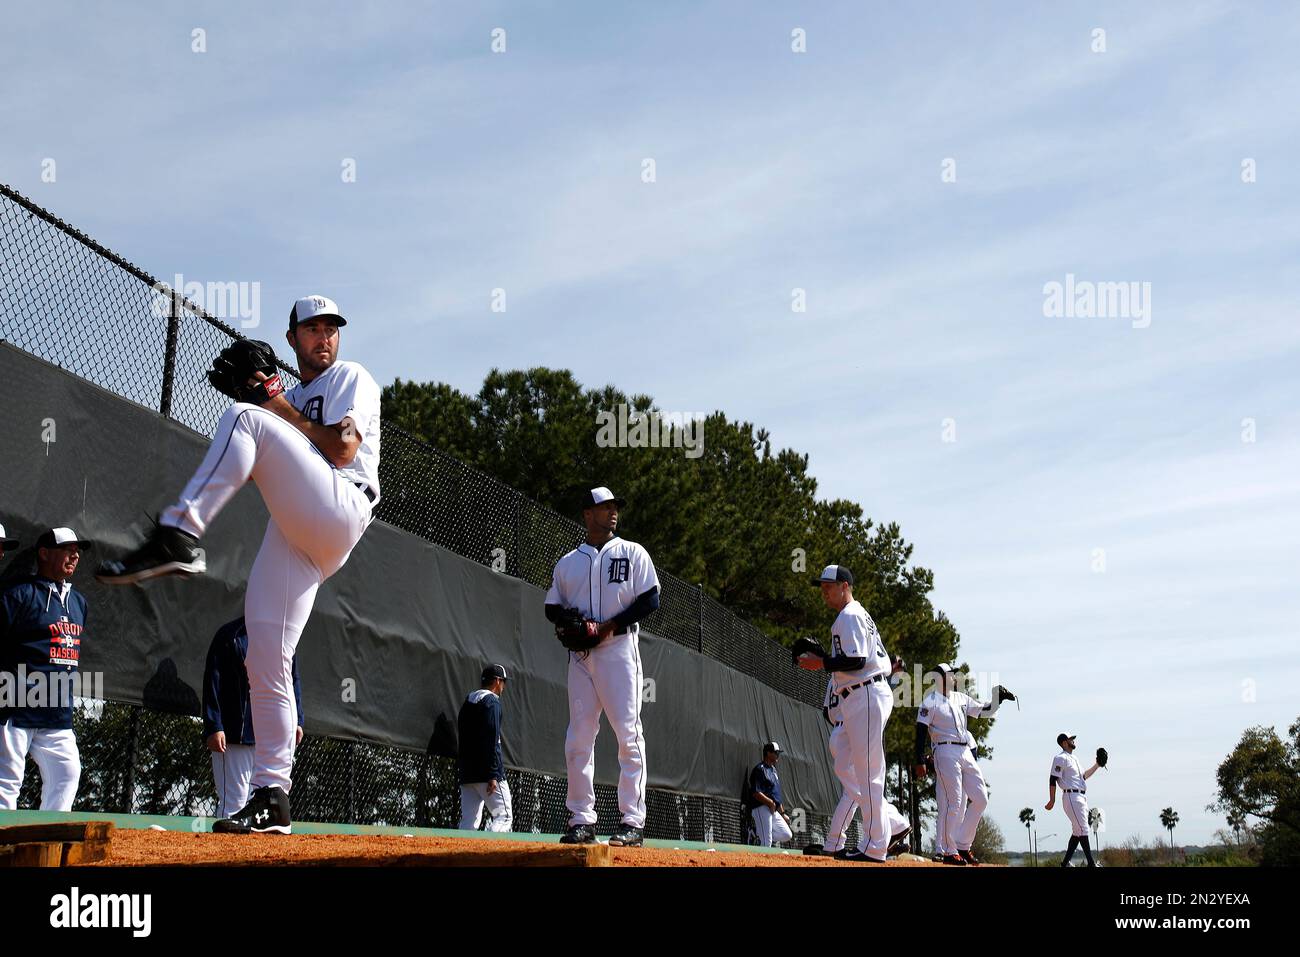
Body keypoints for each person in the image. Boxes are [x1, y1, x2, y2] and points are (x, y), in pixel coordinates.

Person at [97, 295, 381, 835]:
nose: (325, 337)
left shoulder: (350, 376)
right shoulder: (289, 397)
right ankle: (272, 796)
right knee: (264, 653)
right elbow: (254, 464)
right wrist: (270, 405)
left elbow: (342, 449)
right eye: (313, 328)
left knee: (242, 418)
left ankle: (177, 533)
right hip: (297, 527)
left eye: (332, 328)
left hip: (341, 505)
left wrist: (270, 406)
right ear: (292, 337)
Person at [544, 486, 660, 847]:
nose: (612, 512)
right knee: (578, 737)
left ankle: (632, 821)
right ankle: (581, 819)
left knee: (628, 733)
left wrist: (606, 625)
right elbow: (551, 607)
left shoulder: (632, 552)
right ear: (587, 514)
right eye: (604, 506)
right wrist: (571, 621)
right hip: (581, 658)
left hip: (619, 649)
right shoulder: (568, 562)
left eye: (614, 506)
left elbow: (651, 599)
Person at [797, 564, 894, 862]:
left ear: (845, 586)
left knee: (868, 772)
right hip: (862, 693)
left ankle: (875, 846)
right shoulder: (855, 615)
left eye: (829, 586)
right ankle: (890, 825)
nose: (824, 592)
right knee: (845, 762)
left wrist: (821, 662)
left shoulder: (849, 615)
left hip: (865, 692)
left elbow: (855, 659)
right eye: (823, 587)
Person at [0, 527, 91, 811]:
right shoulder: (19, 594)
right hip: (15, 706)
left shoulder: (79, 602)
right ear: (44, 553)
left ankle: (46, 842)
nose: (74, 556)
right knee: (6, 782)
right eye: (67, 549)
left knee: (67, 773)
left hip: (56, 712)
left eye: (77, 551)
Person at [913, 663, 1016, 866]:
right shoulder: (930, 701)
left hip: (964, 750)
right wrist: (919, 760)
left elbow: (983, 711)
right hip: (944, 750)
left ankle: (962, 845)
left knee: (980, 799)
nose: (955, 676)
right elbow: (920, 732)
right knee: (954, 802)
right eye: (951, 673)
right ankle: (950, 851)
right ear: (941, 677)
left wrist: (998, 699)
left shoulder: (961, 698)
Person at [202, 616, 304, 819]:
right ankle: (224, 851)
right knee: (234, 805)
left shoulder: (283, 637)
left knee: (264, 807)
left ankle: (255, 852)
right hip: (234, 736)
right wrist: (214, 725)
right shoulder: (230, 634)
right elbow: (212, 679)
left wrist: (298, 720)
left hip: (270, 741)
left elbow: (293, 679)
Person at [822, 660, 912, 859]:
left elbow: (825, 713)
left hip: (840, 729)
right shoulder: (852, 675)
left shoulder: (837, 678)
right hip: (852, 726)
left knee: (855, 790)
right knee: (859, 788)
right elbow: (872, 687)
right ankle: (894, 823)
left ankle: (835, 842)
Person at [457, 664, 512, 832]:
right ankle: (488, 854)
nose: (503, 687)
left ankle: (460, 856)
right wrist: (493, 774)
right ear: (496, 681)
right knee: (503, 816)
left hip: (468, 775)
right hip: (487, 775)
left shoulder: (468, 701)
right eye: (503, 682)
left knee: (469, 821)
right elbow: (492, 739)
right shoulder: (492, 702)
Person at [1046, 733, 1100, 867]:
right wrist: (1052, 800)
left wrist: (1097, 765)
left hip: (1080, 796)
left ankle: (1065, 863)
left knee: (1077, 831)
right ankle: (1091, 864)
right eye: (1071, 739)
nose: (1074, 740)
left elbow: (1084, 776)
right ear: (1064, 743)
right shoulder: (1060, 758)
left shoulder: (1074, 758)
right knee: (1083, 829)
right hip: (1071, 796)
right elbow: (1053, 778)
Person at [746, 741, 794, 846]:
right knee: (766, 842)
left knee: (786, 834)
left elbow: (776, 794)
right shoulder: (760, 769)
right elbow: (756, 792)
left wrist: (782, 813)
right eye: (776, 753)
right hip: (761, 807)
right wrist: (770, 803)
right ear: (768, 753)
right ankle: (761, 860)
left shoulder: (773, 770)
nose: (778, 755)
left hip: (773, 809)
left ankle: (756, 832)